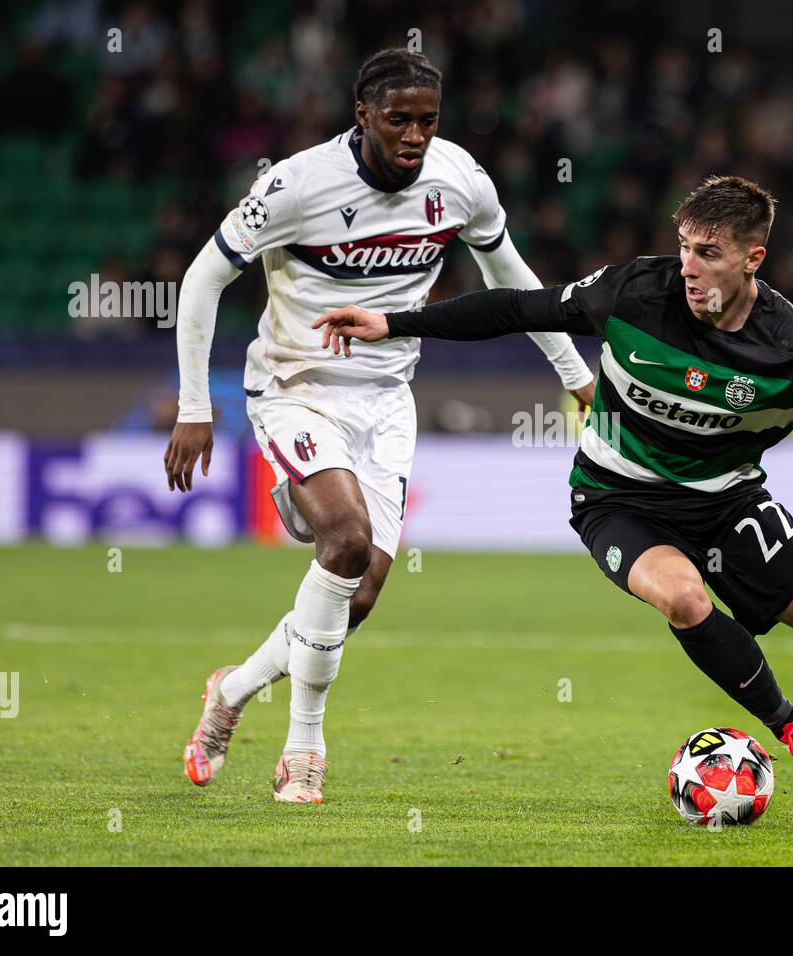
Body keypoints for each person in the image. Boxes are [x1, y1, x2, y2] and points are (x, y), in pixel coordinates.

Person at [312, 175, 793, 826]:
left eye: (709, 252)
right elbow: (520, 308)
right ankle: (792, 726)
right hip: (617, 499)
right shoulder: (635, 291)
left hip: (726, 503)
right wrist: (395, 322)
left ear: (753, 258)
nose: (689, 266)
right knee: (685, 598)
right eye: (685, 247)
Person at [164, 49, 594, 804]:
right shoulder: (296, 184)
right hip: (296, 387)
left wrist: (575, 374)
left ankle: (230, 692)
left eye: (427, 120)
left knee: (353, 597)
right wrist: (196, 406)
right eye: (398, 119)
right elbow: (205, 275)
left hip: (388, 400)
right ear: (361, 115)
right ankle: (304, 751)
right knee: (346, 539)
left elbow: (514, 282)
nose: (414, 135)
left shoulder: (460, 180)